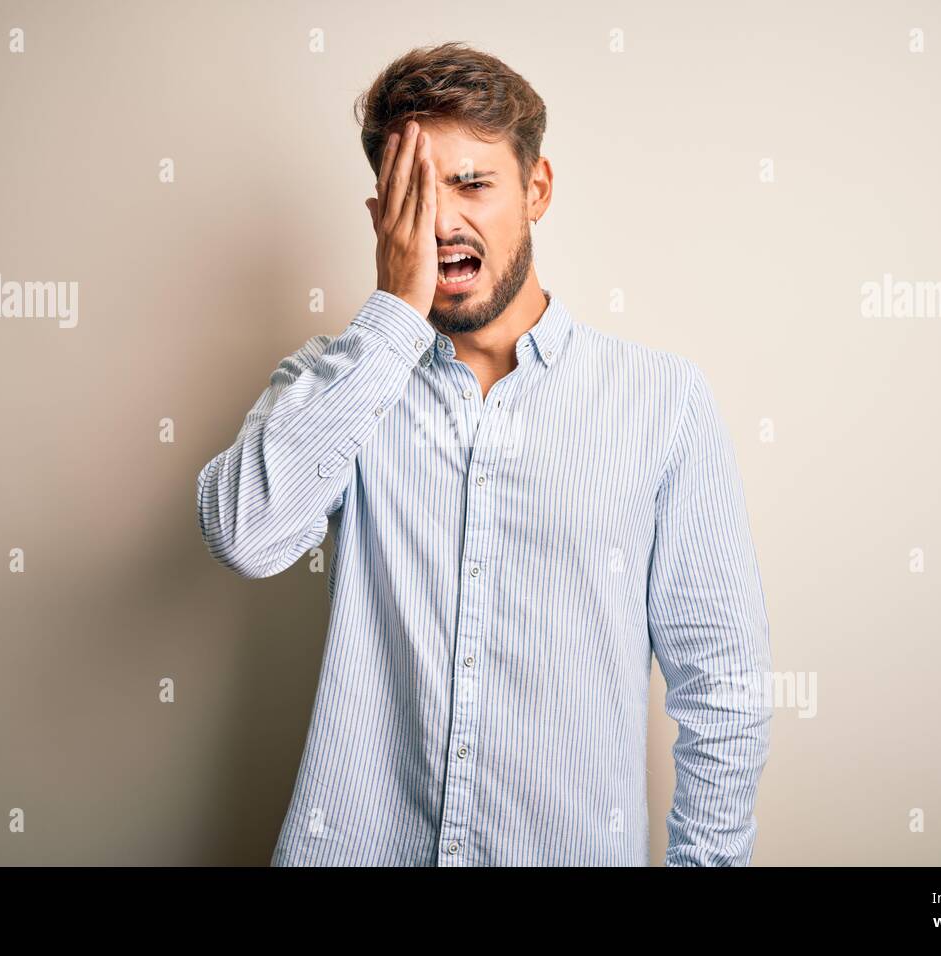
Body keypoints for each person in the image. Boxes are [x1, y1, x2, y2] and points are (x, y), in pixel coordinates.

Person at [196, 41, 772, 866]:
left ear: (536, 189)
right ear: (380, 216)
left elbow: (725, 687)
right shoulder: (334, 385)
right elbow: (244, 536)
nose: (443, 221)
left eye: (473, 183)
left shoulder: (663, 403)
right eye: (418, 193)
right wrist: (394, 315)